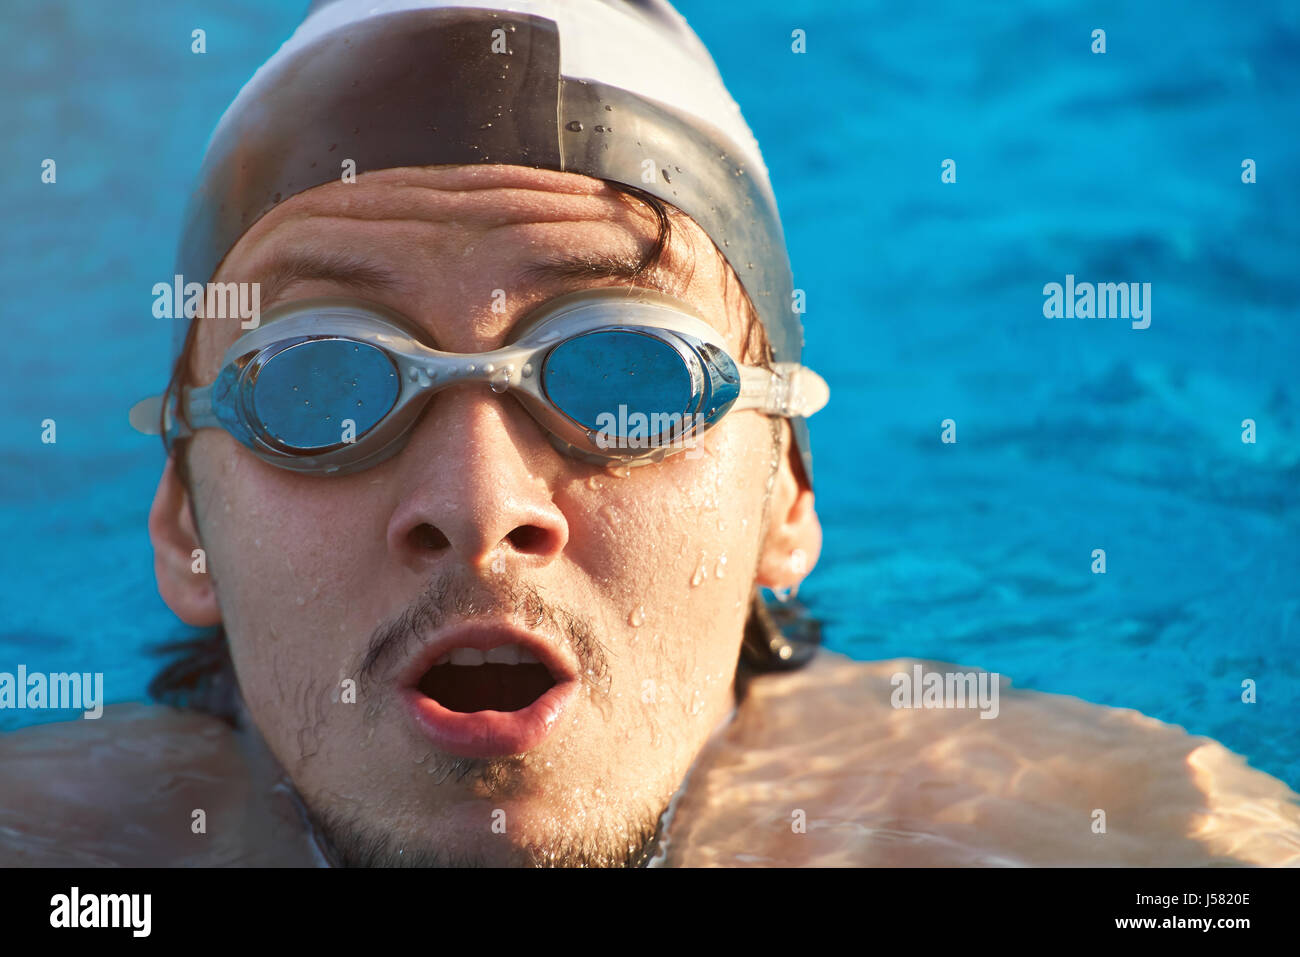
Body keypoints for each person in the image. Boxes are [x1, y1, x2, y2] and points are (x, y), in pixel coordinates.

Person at [2, 0, 1298, 868]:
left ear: (785, 494)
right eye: (321, 384)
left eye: (623, 371)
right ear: (185, 523)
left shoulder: (1124, 836)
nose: (480, 497)